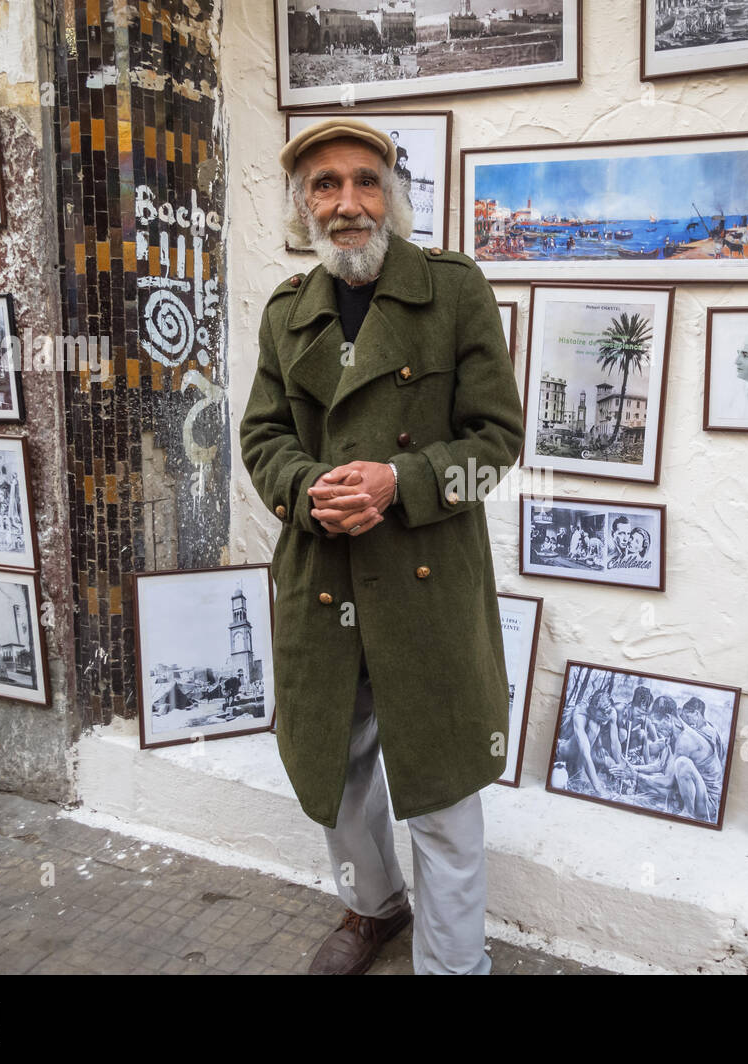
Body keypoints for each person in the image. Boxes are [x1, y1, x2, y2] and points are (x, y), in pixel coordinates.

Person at [240, 118, 524, 975]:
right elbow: (261, 439)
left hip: (426, 583)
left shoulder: (454, 289)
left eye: (364, 181)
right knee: (343, 772)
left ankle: (452, 963)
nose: (347, 203)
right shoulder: (288, 313)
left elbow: (499, 444)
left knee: (440, 794)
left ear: (393, 195)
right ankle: (373, 908)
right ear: (304, 206)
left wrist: (399, 483)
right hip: (322, 581)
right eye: (324, 185)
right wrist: (304, 489)